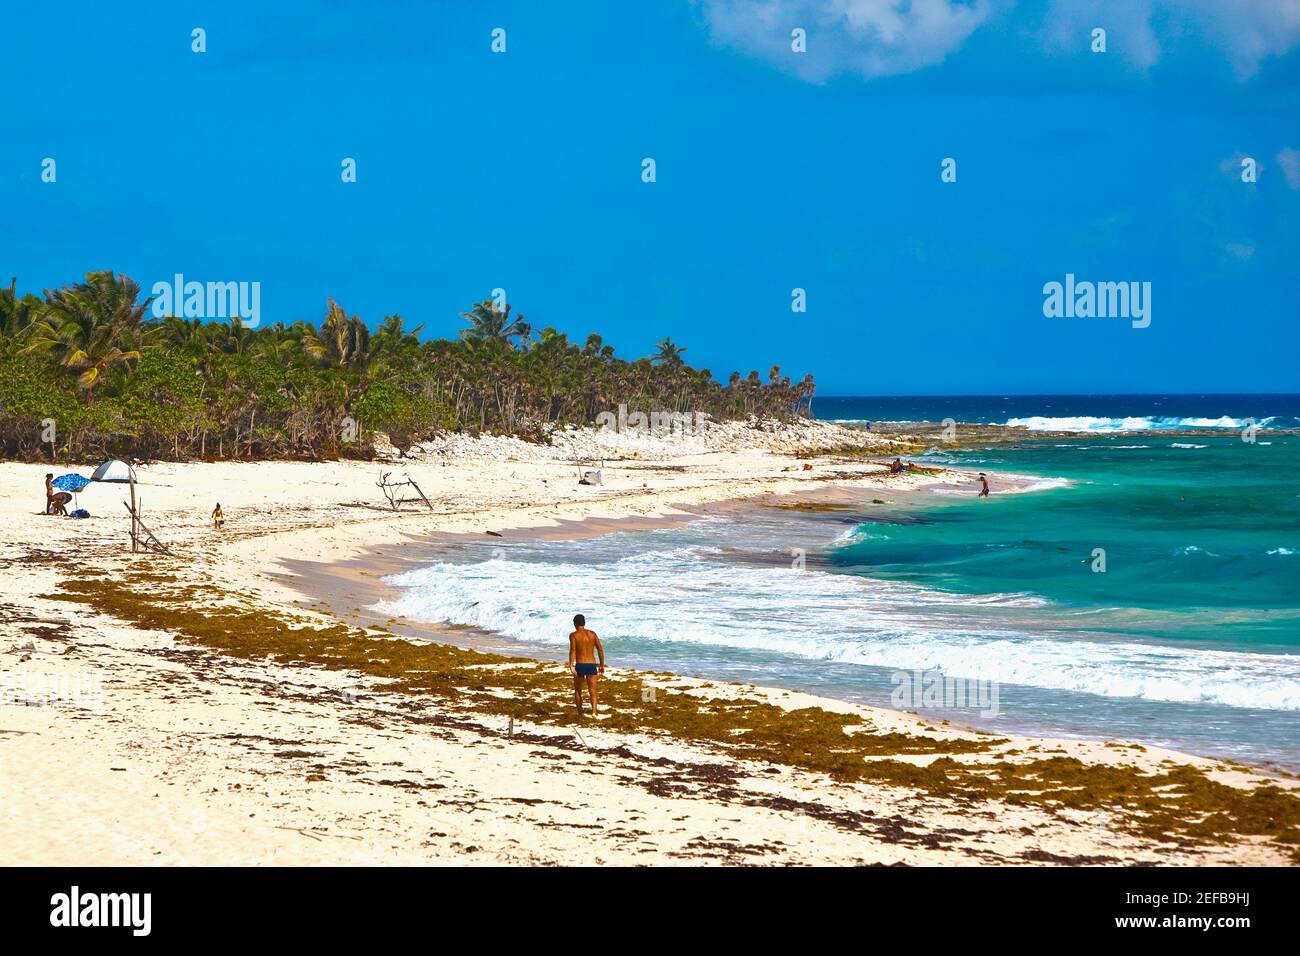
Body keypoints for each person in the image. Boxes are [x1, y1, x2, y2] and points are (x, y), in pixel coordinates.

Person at [567, 614, 605, 717]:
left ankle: (580, 713)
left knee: (578, 690)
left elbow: (573, 650)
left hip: (580, 664)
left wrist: (571, 664)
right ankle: (594, 712)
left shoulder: (573, 635)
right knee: (592, 690)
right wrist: (601, 664)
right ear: (584, 623)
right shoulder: (592, 634)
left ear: (575, 623)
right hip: (592, 664)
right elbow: (600, 649)